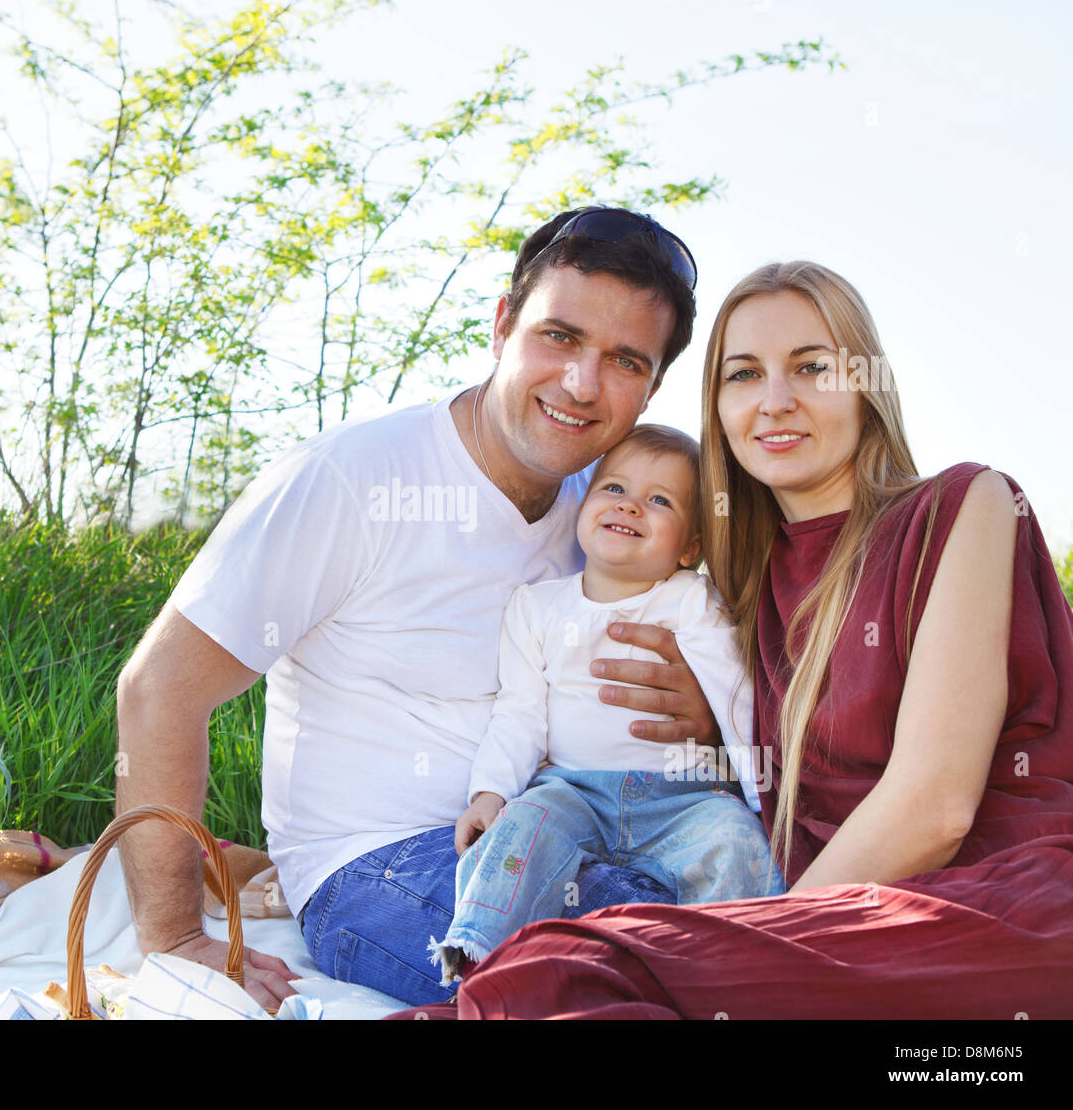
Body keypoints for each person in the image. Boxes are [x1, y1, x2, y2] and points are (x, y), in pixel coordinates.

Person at [396, 260, 1073, 1019]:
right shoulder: (732, 580)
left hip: (974, 898)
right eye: (744, 374)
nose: (776, 402)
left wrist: (748, 938)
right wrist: (703, 738)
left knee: (578, 971)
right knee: (560, 969)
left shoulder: (965, 505)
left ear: (865, 382)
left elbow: (936, 808)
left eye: (812, 367)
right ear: (717, 406)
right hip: (813, 913)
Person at [114, 206, 728, 1011]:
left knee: (746, 937)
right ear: (503, 324)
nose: (581, 383)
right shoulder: (354, 478)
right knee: (614, 981)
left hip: (567, 836)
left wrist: (704, 717)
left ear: (651, 388)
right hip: (377, 865)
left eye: (624, 360)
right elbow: (160, 688)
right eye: (561, 336)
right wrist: (175, 940)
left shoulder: (611, 513)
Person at [430, 424, 784, 984]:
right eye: (613, 488)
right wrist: (490, 792)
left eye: (660, 500)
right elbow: (520, 713)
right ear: (586, 503)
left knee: (737, 839)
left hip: (683, 797)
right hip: (574, 789)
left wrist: (763, 798)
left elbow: (732, 694)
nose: (631, 506)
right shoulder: (537, 608)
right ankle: (477, 953)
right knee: (522, 827)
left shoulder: (689, 599)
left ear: (691, 547)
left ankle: (729, 972)